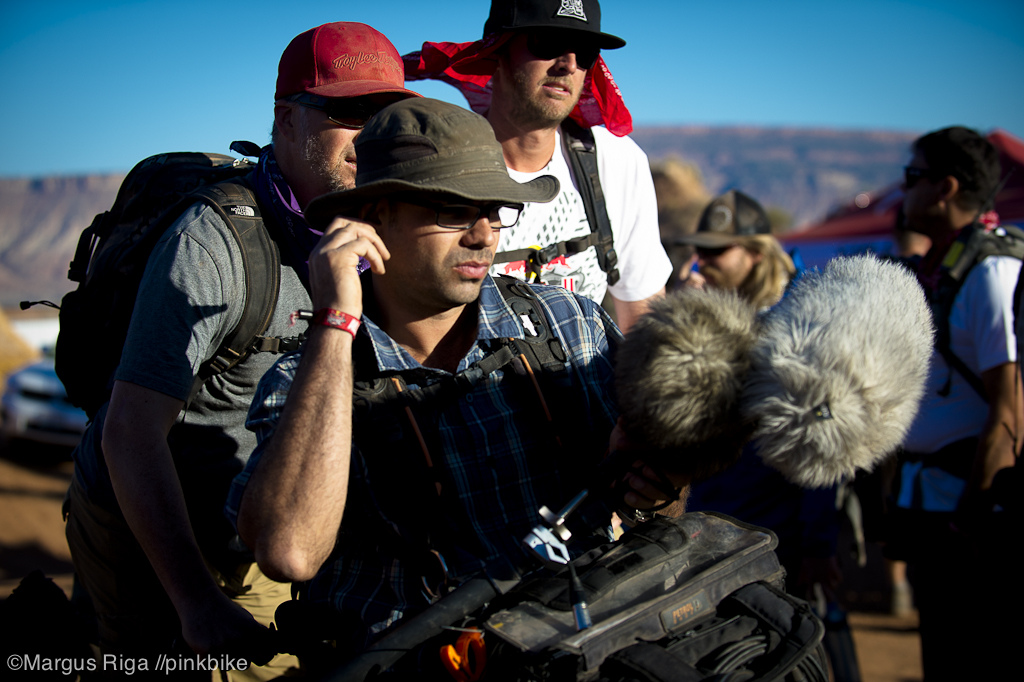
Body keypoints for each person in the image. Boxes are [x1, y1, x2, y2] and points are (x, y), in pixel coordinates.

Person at [226, 97, 682, 658]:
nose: (484, 234)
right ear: (373, 218)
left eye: (495, 209)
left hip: (580, 651)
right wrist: (335, 322)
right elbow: (289, 552)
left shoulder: (570, 326)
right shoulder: (306, 379)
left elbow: (665, 498)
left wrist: (658, 489)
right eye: (453, 209)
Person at [64, 22, 419, 678]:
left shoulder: (386, 222)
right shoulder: (213, 243)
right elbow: (130, 434)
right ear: (286, 121)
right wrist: (196, 602)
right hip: (151, 523)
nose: (371, 133)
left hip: (259, 522)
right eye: (347, 111)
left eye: (387, 113)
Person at [404, 0, 672, 331]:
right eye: (547, 43)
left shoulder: (615, 162)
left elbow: (643, 321)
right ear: (497, 52)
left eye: (585, 51)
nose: (569, 64)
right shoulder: (437, 164)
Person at [892, 126, 1021, 681]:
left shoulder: (993, 274)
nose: (904, 192)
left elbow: (1011, 412)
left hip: (970, 518)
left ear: (945, 186)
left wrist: (974, 523)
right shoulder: (944, 268)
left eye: (912, 177)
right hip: (931, 507)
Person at [676, 190, 797, 309]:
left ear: (756, 252)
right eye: (700, 249)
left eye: (716, 250)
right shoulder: (707, 303)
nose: (701, 261)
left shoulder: (794, 313)